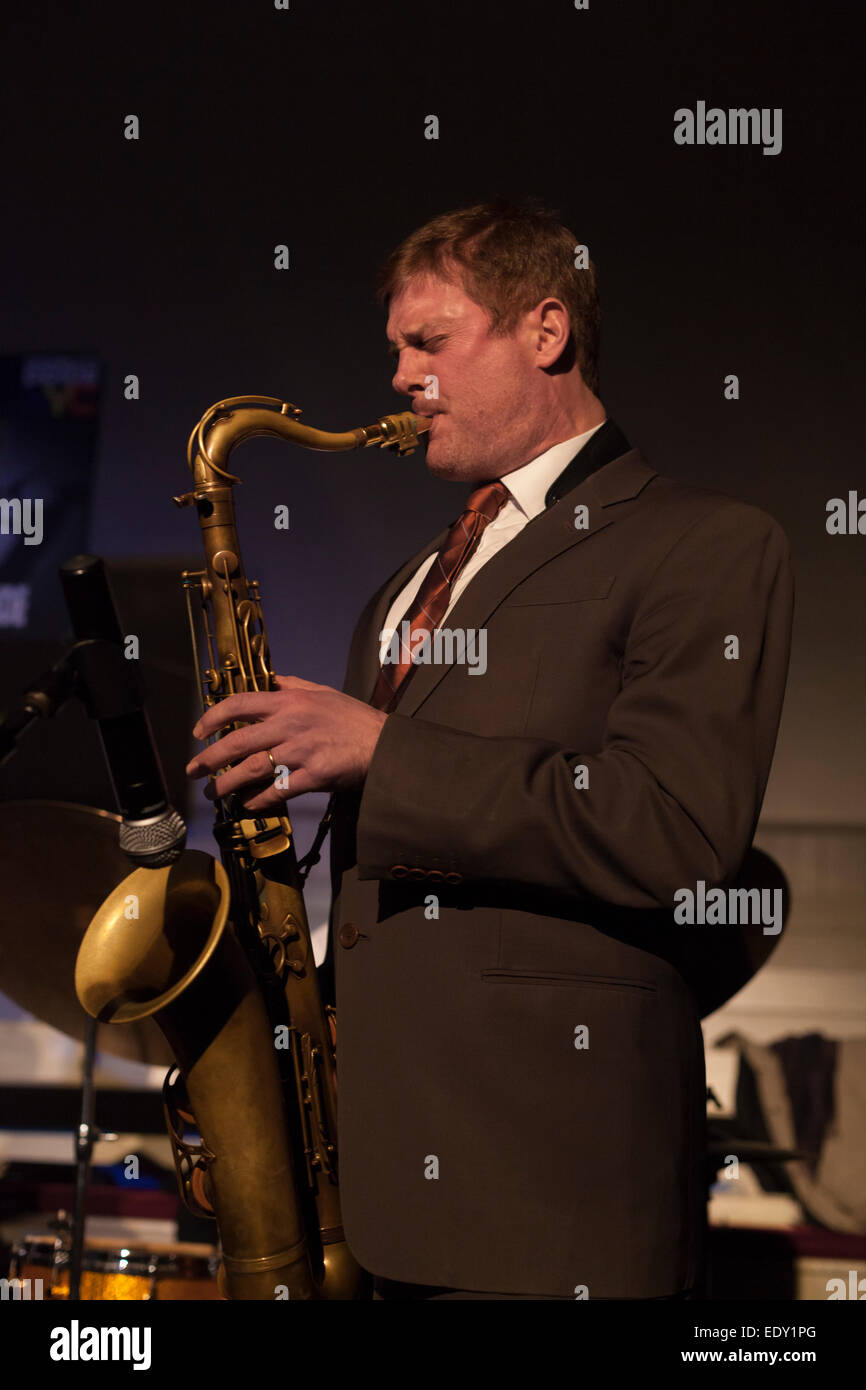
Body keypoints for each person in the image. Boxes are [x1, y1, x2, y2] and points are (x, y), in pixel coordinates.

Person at [186, 198, 794, 1300]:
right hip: (372, 1192)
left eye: (429, 342)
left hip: (544, 1197)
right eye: (394, 351)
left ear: (545, 331)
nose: (398, 377)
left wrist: (381, 750)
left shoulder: (705, 543)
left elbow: (676, 831)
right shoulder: (405, 584)